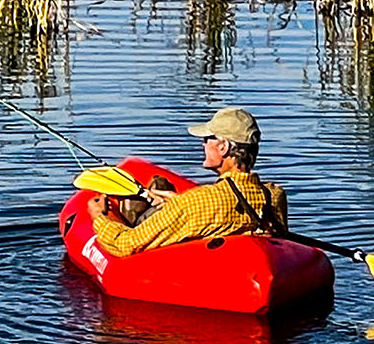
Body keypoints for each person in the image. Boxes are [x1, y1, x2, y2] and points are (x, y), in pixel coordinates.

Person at [87, 106, 289, 257]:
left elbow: (126, 244)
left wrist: (100, 217)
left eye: (207, 139)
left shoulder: (197, 203)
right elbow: (228, 207)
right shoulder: (275, 195)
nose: (203, 144)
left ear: (223, 148)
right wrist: (176, 201)